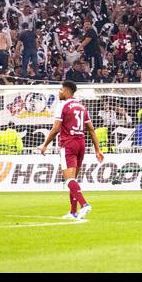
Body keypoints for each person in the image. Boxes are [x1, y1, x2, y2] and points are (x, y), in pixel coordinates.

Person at [38, 80, 104, 220]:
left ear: (67, 91)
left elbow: (56, 128)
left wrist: (45, 144)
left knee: (69, 180)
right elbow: (91, 129)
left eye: (61, 90)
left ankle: (84, 204)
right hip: (81, 144)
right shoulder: (81, 107)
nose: (59, 92)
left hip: (68, 144)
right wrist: (98, 150)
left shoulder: (63, 105)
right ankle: (73, 212)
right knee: (73, 179)